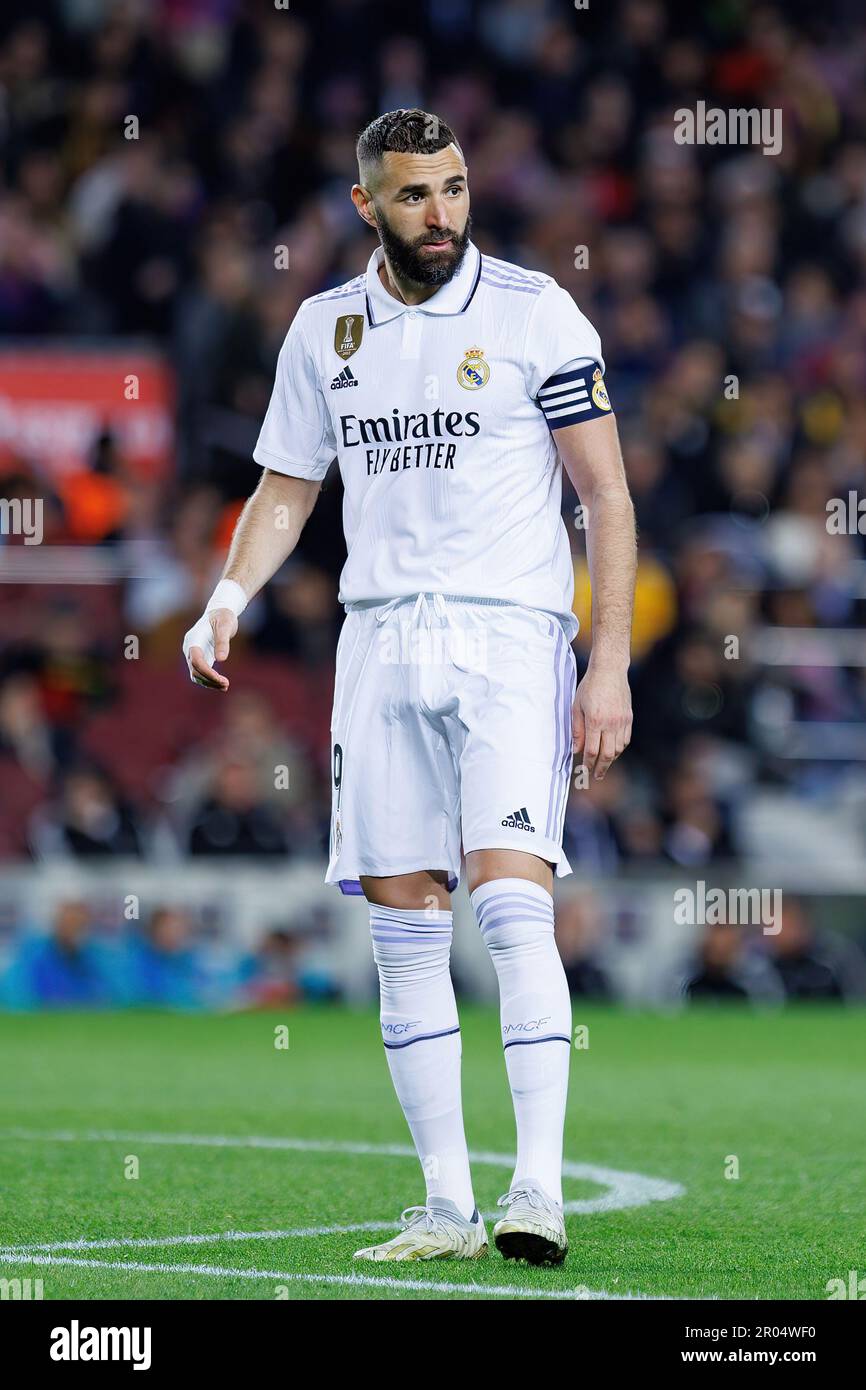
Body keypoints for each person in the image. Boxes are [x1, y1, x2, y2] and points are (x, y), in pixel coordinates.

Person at [183, 109, 636, 1267]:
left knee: (510, 897)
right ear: (364, 205)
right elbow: (287, 489)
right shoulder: (325, 327)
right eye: (413, 195)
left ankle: (536, 1189)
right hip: (378, 637)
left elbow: (604, 496)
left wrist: (609, 658)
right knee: (400, 926)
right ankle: (446, 1204)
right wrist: (226, 597)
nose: (439, 213)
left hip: (507, 634)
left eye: (452, 188)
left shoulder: (536, 312)